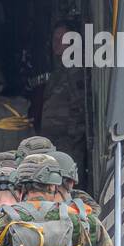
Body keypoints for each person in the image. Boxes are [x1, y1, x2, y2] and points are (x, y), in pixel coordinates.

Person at [39, 19, 88, 174]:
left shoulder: (75, 68)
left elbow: (79, 104)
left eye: (62, 39)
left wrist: (72, 137)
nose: (56, 43)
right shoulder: (60, 69)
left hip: (67, 142)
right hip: (55, 141)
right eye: (55, 38)